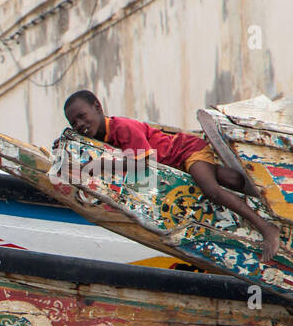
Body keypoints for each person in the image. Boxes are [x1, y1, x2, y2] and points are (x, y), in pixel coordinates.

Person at [63, 90, 280, 264]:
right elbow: (79, 145)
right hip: (179, 164)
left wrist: (98, 165)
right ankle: (237, 181)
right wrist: (63, 145)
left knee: (212, 191)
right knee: (233, 181)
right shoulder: (100, 136)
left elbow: (141, 165)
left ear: (98, 107)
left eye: (82, 116)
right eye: (74, 122)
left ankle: (266, 228)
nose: (80, 124)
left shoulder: (122, 127)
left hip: (186, 151)